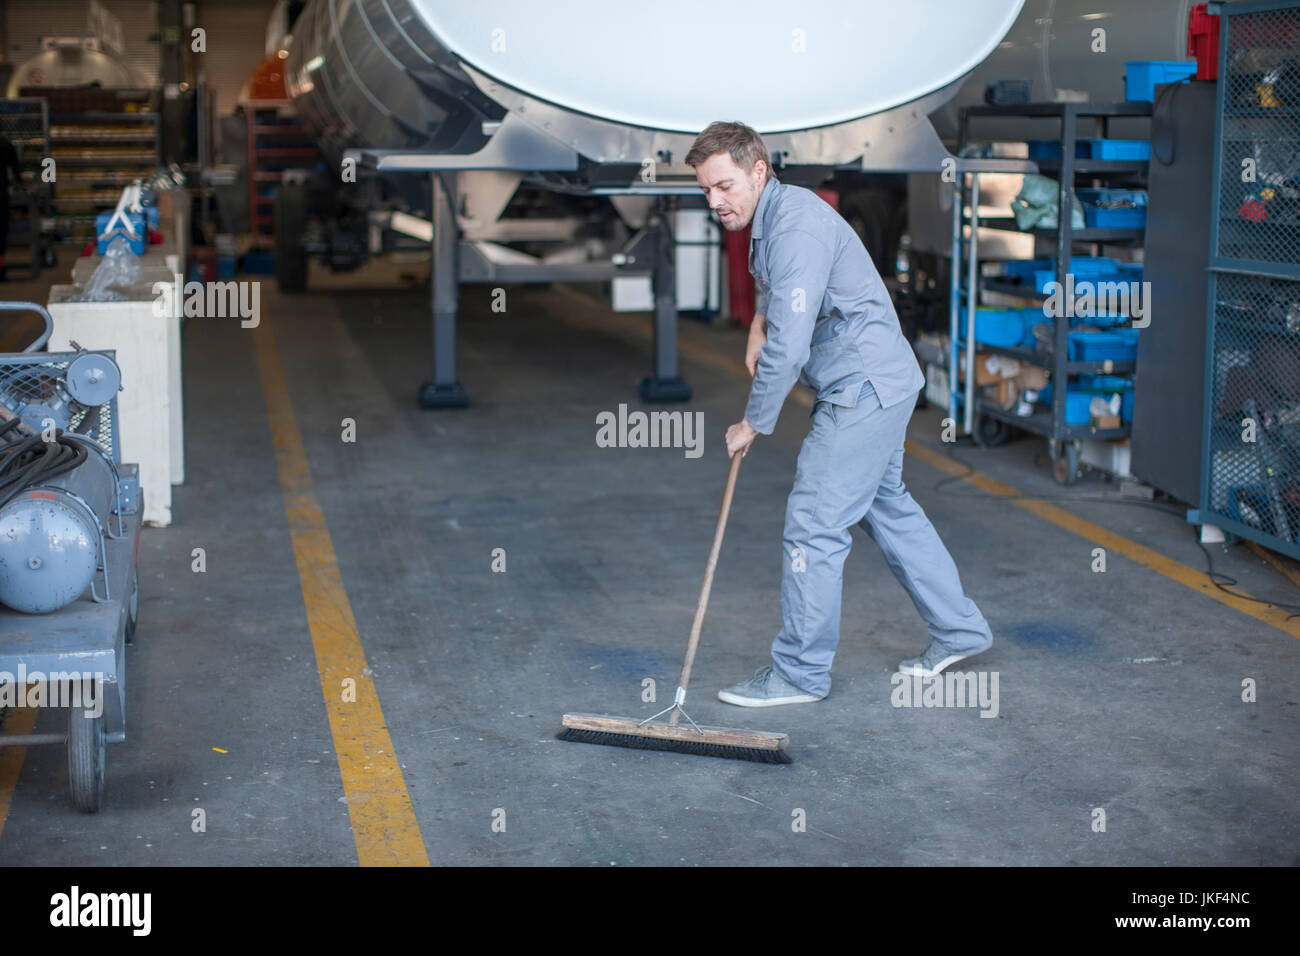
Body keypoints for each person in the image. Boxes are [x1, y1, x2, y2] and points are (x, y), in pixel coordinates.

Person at [684, 120, 993, 707]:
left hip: (863, 388)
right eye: (705, 190)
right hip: (880, 379)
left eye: (723, 186)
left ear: (758, 171)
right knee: (888, 508)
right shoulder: (775, 214)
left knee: (813, 524)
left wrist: (755, 420)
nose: (714, 201)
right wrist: (759, 320)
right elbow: (784, 295)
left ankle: (799, 672)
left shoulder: (794, 224)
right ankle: (960, 628)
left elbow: (793, 344)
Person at [0, 134, 22, 281]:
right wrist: (19, 184)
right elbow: (16, 170)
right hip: (1, 194)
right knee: (1, 233)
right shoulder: (5, 144)